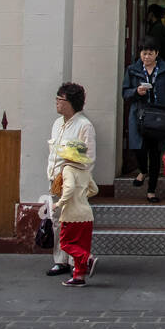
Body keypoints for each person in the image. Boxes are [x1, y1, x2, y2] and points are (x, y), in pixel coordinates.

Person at [46, 82, 97, 278]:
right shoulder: (57, 124)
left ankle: (76, 261)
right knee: (57, 220)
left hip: (73, 182)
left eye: (61, 99)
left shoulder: (84, 126)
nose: (57, 103)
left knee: (73, 223)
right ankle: (60, 260)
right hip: (55, 178)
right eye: (57, 99)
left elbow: (89, 158)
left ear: (71, 103)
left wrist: (75, 177)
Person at [123, 37, 165, 203]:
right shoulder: (132, 70)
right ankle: (143, 170)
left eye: (150, 53)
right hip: (138, 114)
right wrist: (136, 91)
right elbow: (125, 92)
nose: (146, 56)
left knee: (155, 152)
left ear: (156, 54)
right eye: (143, 53)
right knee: (137, 147)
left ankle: (151, 191)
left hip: (158, 115)